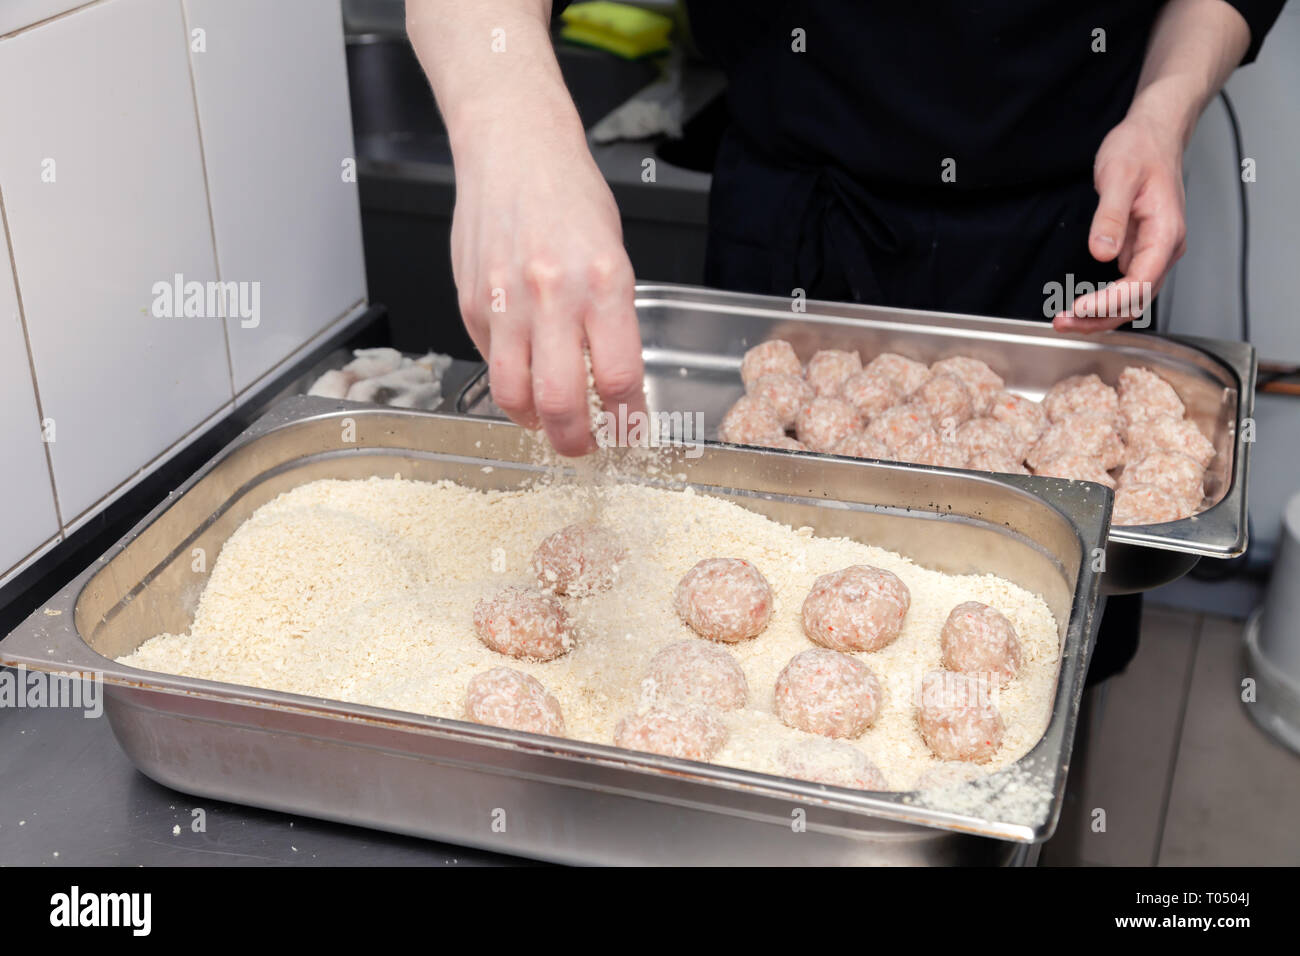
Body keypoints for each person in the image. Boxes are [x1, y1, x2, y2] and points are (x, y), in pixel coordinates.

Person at [406, 0, 1283, 680]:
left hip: (1074, 220)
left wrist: (1163, 114)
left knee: (1052, 651)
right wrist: (512, 133)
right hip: (800, 214)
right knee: (748, 560)